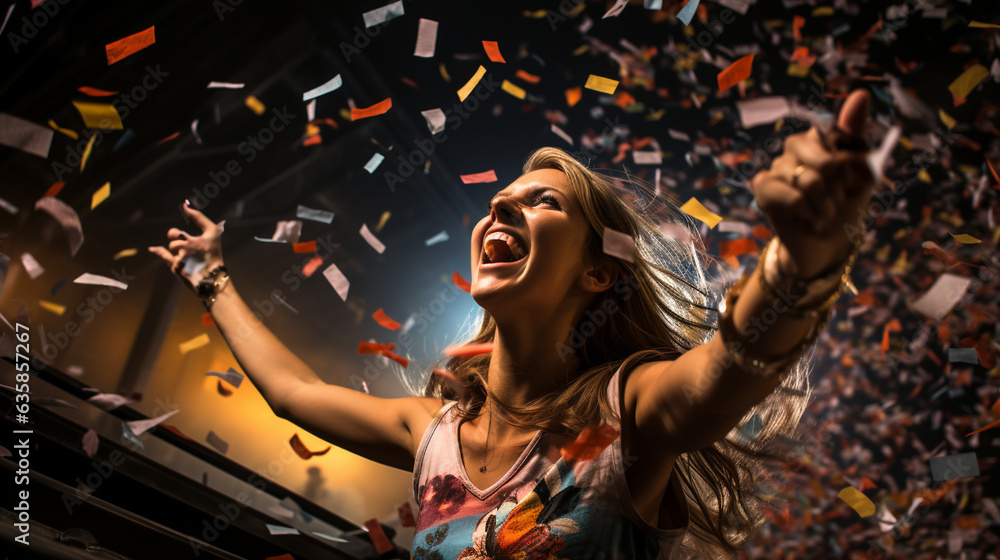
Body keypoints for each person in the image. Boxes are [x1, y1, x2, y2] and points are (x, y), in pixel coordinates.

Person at [149, 89, 877, 559]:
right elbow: (292, 393)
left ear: (599, 273)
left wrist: (800, 264)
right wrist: (209, 276)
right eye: (504, 196)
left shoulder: (630, 414)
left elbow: (730, 365)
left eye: (543, 204)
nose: (501, 206)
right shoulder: (429, 433)